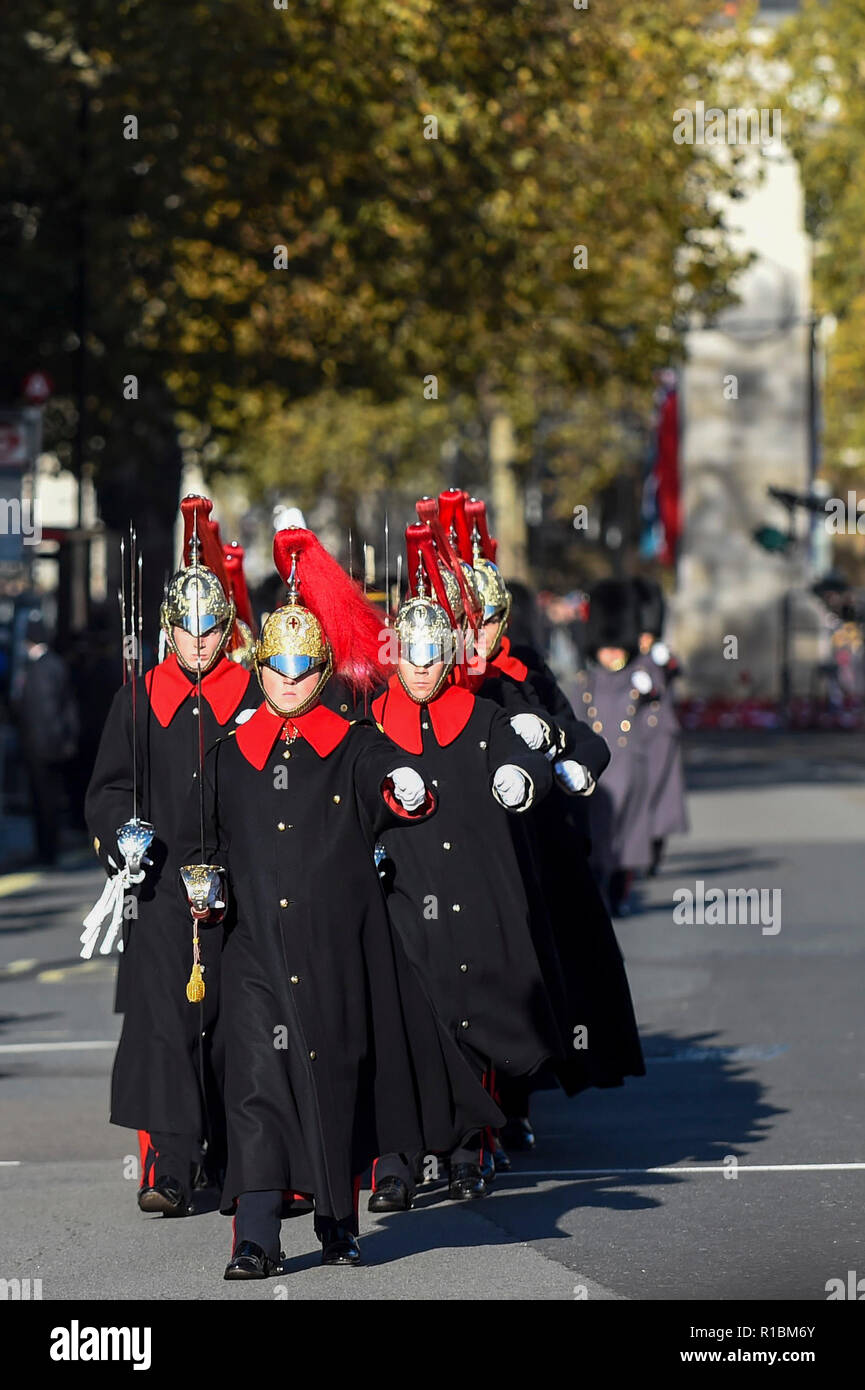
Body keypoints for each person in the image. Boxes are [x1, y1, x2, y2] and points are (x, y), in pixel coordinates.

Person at [180, 526, 502, 1278]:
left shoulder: (353, 743)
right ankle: (255, 1237)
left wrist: (409, 783)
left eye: (302, 670)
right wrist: (202, 884)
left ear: (320, 671)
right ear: (259, 670)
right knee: (257, 1089)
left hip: (337, 952)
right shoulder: (228, 753)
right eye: (277, 669)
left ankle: (335, 1222)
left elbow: (388, 775)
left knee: (331, 1083)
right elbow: (202, 840)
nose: (288, 682)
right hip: (255, 949)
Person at [369, 519, 586, 1211]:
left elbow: (524, 753)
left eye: (436, 651)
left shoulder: (481, 714)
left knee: (469, 1026)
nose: (425, 664)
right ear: (395, 656)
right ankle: (396, 1161)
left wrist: (529, 772)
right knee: (403, 1030)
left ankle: (467, 1148)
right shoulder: (370, 721)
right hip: (400, 896)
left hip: (468, 892)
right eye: (413, 652)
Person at [85, 495, 257, 1218]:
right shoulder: (138, 698)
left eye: (209, 629)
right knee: (164, 1026)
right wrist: (122, 831)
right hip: (159, 888)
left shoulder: (252, 693)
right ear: (167, 632)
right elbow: (109, 786)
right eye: (184, 631)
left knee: (238, 1027)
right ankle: (171, 1165)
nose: (197, 643)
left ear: (225, 631)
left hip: (238, 885)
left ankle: (243, 1157)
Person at [463, 496, 644, 1157]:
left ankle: (511, 1105)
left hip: (528, 851)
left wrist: (555, 747)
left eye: (486, 622)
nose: (478, 635)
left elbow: (583, 741)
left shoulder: (523, 667)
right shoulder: (433, 680)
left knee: (529, 984)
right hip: (453, 852)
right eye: (467, 623)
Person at [571, 579, 660, 915]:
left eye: (617, 647)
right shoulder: (586, 682)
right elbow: (577, 720)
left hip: (630, 766)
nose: (611, 654)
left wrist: (654, 684)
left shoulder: (640, 679)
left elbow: (656, 720)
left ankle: (620, 891)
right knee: (599, 838)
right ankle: (601, 893)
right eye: (606, 648)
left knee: (627, 838)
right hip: (599, 771)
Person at [631, 577, 688, 875]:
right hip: (634, 733)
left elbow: (675, 672)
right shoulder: (626, 657)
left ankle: (654, 848)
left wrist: (668, 663)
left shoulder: (660, 655)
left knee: (660, 792)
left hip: (661, 734)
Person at [12, 614, 79, 866]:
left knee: (43, 801)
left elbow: (45, 711)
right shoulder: (56, 664)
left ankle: (46, 850)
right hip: (55, 745)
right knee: (50, 798)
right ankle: (51, 848)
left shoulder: (38, 670)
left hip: (41, 747)